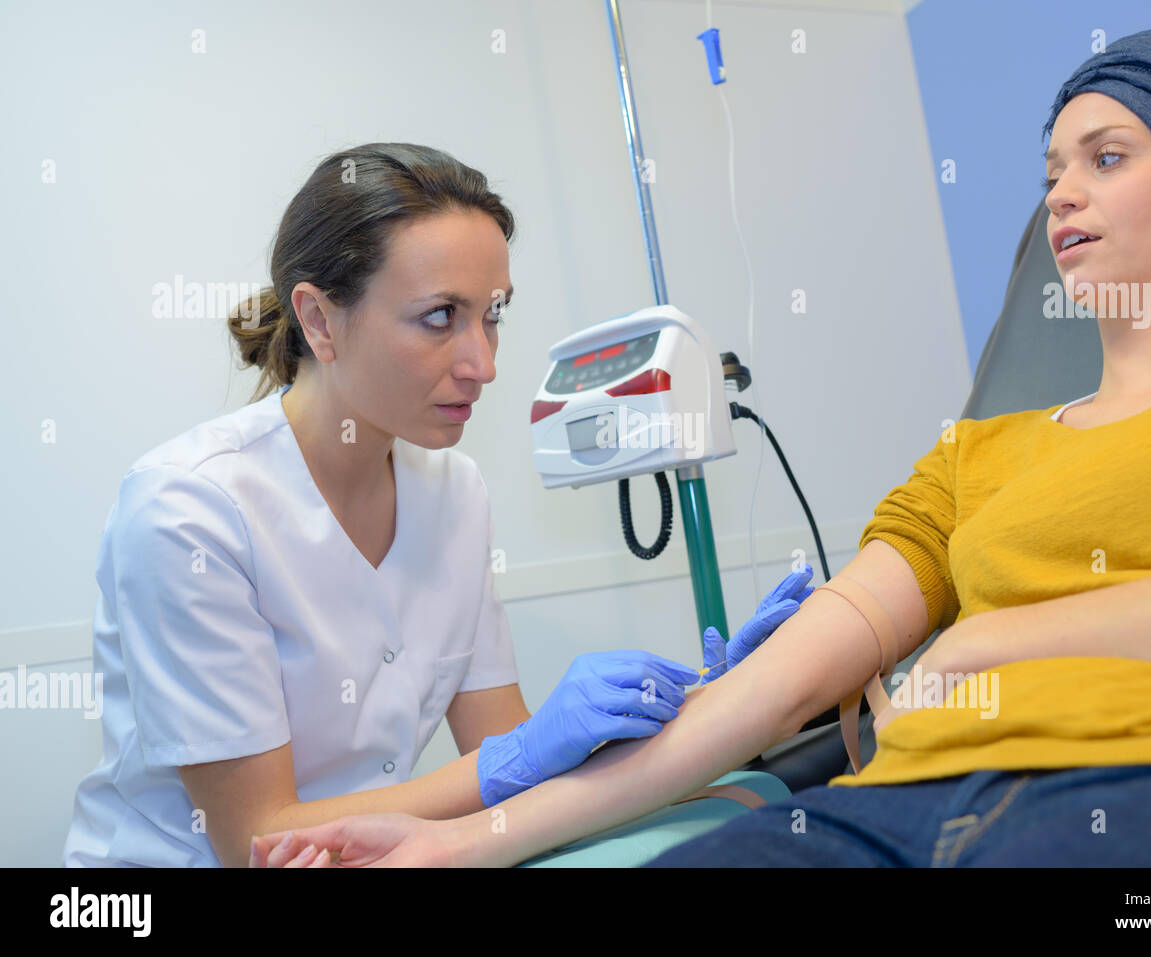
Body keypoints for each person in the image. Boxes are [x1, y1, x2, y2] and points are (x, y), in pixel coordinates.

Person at [250, 28, 1151, 868]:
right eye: (1052, 168)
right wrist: (458, 845)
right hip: (885, 812)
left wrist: (998, 641)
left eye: (1107, 158)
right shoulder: (975, 457)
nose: (1060, 192)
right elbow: (772, 696)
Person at [61, 143, 813, 867]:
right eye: (439, 317)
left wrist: (708, 709)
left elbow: (530, 783)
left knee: (743, 810)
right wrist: (518, 754)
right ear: (320, 320)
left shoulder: (454, 493)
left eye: (493, 314)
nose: (483, 363)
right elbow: (258, 840)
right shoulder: (190, 509)